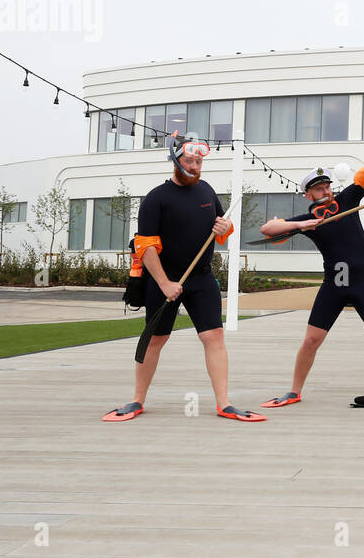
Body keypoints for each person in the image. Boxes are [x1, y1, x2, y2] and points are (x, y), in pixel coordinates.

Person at [257, 121, 364, 412]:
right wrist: (302, 224)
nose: (325, 190)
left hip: (362, 283)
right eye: (318, 188)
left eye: (326, 185)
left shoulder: (348, 199)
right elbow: (267, 229)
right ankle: (294, 392)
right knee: (311, 340)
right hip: (333, 286)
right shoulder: (307, 220)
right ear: (308, 195)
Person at [104, 132, 265, 423]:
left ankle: (224, 403)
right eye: (189, 160)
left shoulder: (206, 191)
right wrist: (164, 283)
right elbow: (146, 247)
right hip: (163, 280)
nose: (195, 166)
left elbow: (222, 229)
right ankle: (137, 400)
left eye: (199, 161)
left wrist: (225, 226)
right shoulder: (156, 199)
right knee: (156, 340)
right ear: (175, 161)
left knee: (213, 336)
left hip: (201, 279)